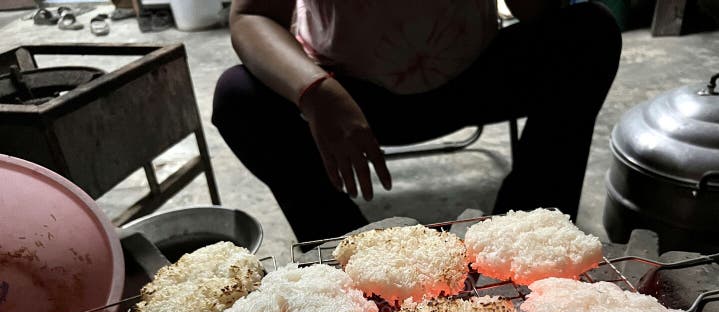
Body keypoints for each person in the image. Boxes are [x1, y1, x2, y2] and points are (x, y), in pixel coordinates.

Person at [213, 0, 622, 242]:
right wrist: (315, 91)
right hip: (346, 97)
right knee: (239, 98)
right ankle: (346, 255)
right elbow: (252, 16)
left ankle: (526, 236)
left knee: (589, 32)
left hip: (473, 75)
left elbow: (540, 11)